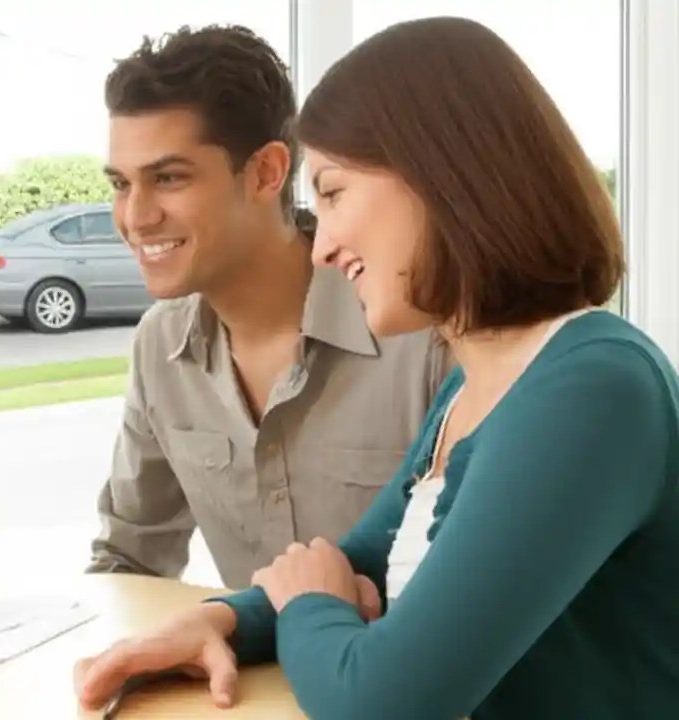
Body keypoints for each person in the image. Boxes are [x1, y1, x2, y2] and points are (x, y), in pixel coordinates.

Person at [75, 16, 679, 719]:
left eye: (333, 193)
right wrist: (222, 620)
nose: (322, 246)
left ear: (443, 177)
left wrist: (309, 604)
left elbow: (381, 702)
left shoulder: (593, 389)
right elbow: (360, 560)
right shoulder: (476, 384)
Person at [87, 25, 450, 589]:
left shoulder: (421, 332)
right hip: (248, 649)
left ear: (266, 173)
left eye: (168, 178)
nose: (136, 217)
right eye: (120, 184)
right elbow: (129, 560)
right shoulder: (161, 346)